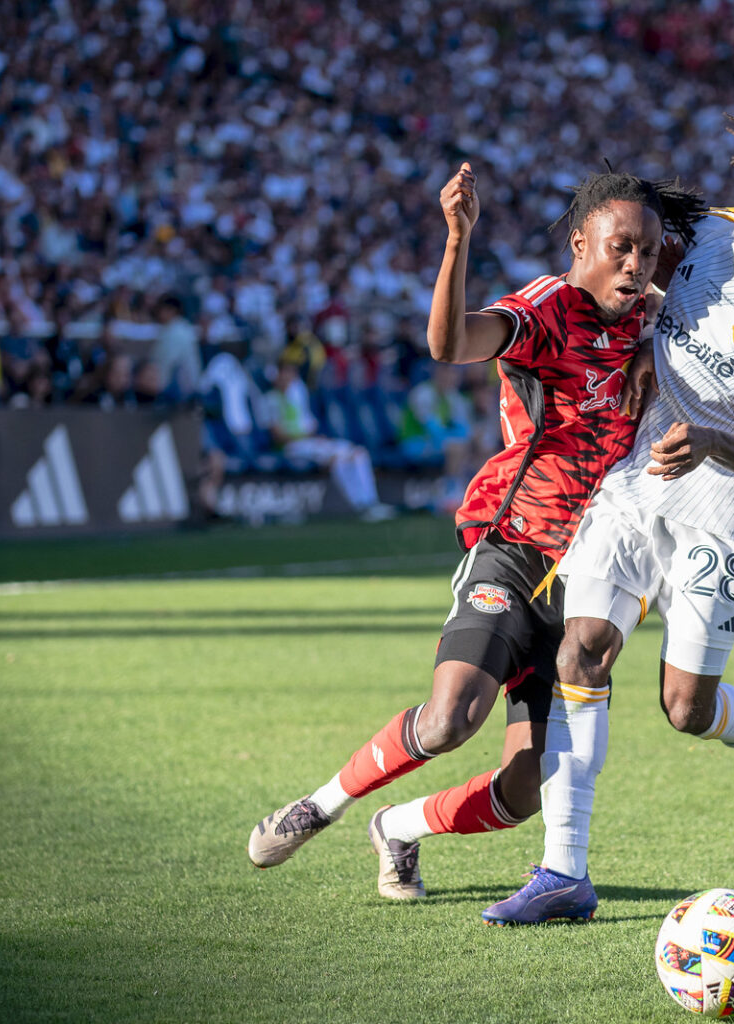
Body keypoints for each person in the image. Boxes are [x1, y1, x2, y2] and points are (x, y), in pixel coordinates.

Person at [246, 161, 704, 900]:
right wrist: (458, 239)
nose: (635, 263)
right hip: (515, 546)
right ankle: (319, 806)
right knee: (451, 717)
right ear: (580, 243)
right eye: (620, 247)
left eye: (646, 252)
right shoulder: (547, 309)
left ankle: (399, 826)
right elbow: (451, 342)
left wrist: (655, 340)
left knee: (525, 791)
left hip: (593, 575)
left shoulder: (653, 315)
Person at [482, 116, 734, 925]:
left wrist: (711, 439)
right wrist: (650, 345)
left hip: (722, 510)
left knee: (685, 708)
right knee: (582, 650)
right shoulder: (711, 234)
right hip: (637, 480)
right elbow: (643, 282)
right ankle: (563, 873)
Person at [260, 357, 394, 522]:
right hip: (292, 448)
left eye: (292, 373)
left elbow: (311, 426)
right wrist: (306, 436)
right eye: (285, 373)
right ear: (277, 375)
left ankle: (372, 502)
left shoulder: (297, 395)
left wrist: (314, 437)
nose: (289, 377)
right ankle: (360, 506)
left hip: (309, 443)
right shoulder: (269, 400)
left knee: (359, 453)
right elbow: (278, 436)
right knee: (338, 459)